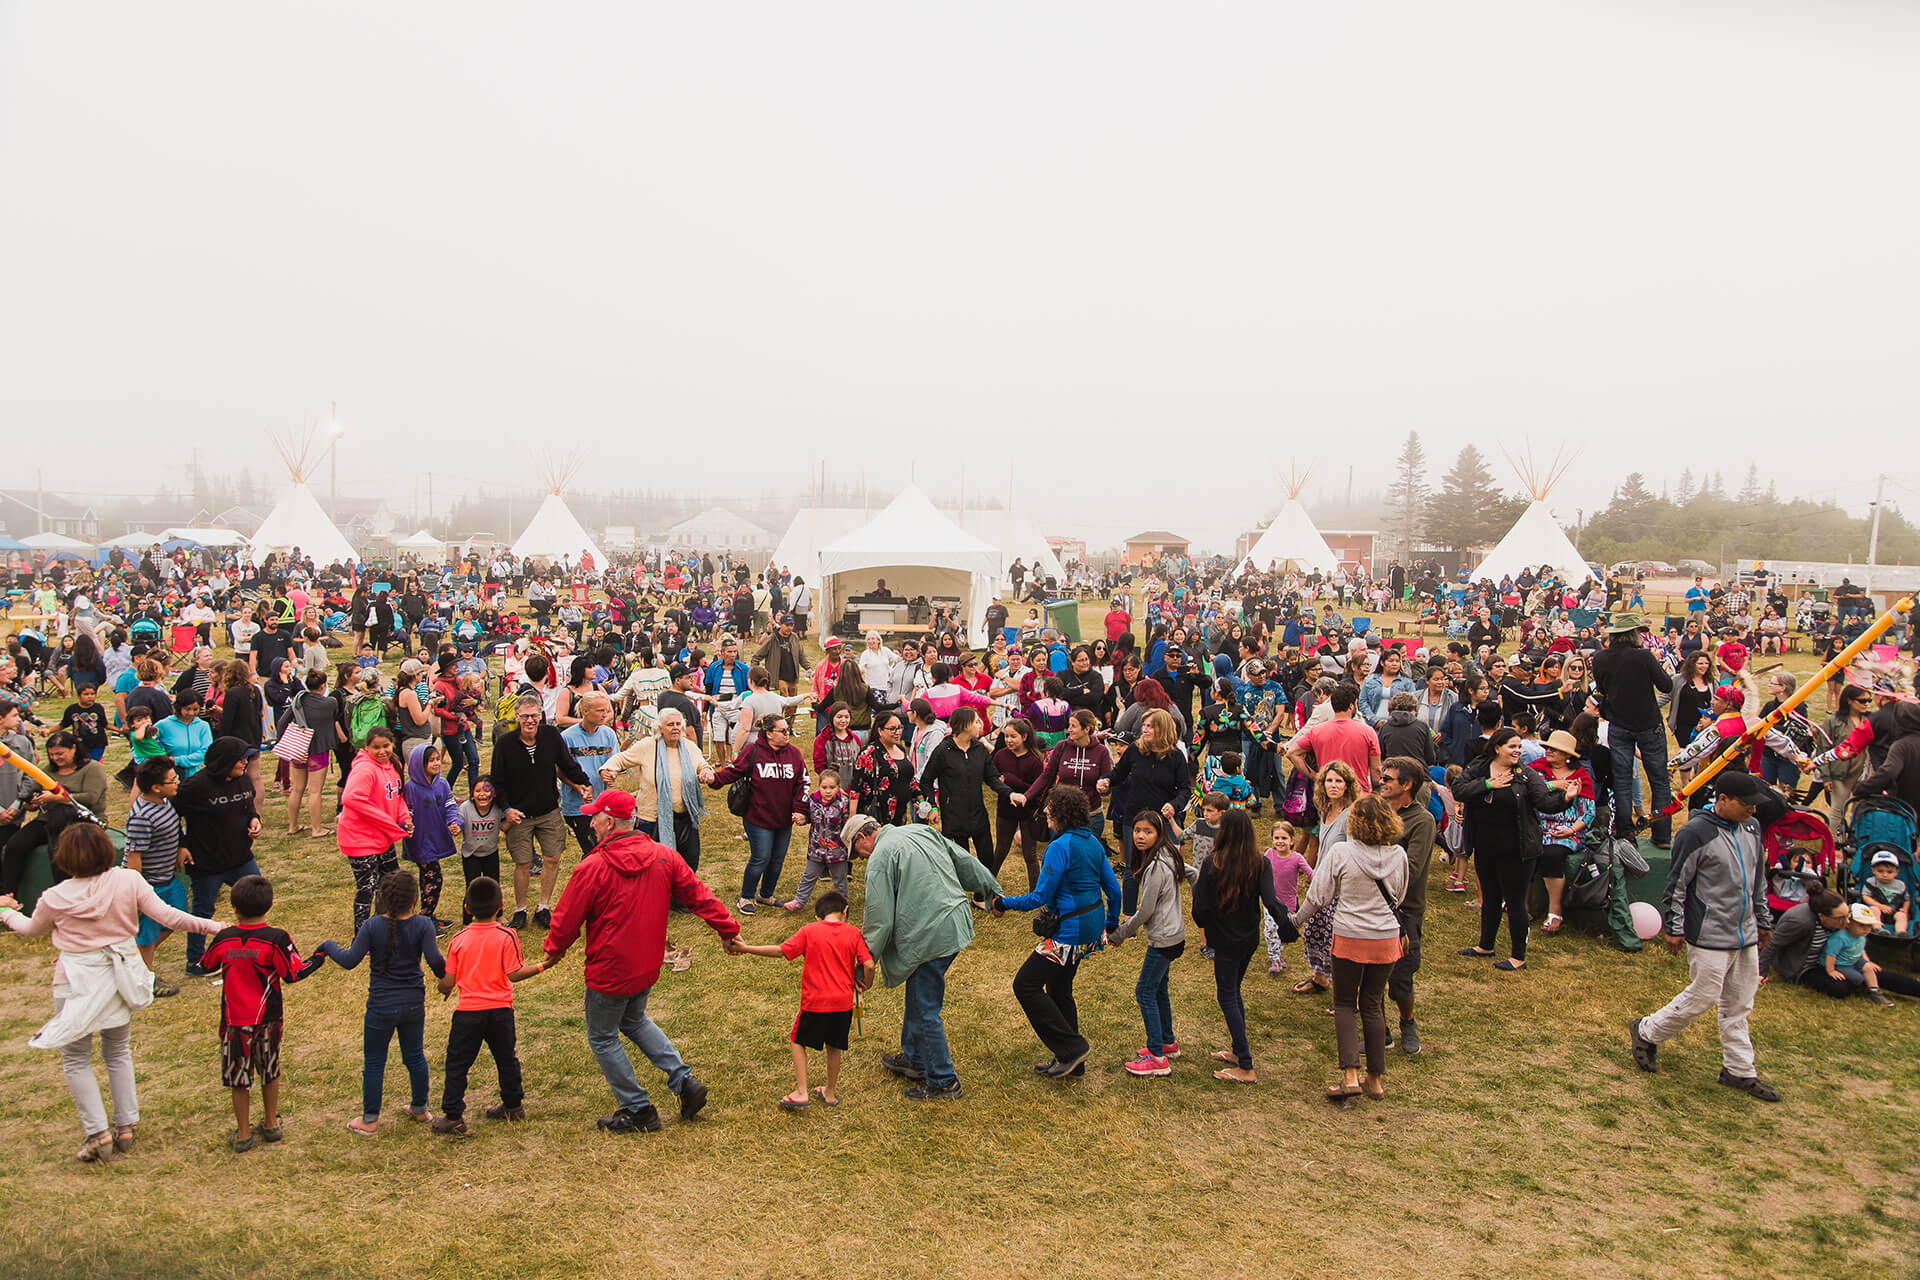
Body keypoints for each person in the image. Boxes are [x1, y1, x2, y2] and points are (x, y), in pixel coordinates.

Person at [0, 825, 222, 1162]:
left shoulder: (55, 896)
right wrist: (215, 927)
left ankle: (98, 1134)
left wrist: (6, 913)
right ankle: (125, 1126)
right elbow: (168, 916)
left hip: (75, 982)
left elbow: (32, 929)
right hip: (121, 977)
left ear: (64, 857)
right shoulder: (128, 880)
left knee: (76, 1058)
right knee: (117, 1051)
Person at [543, 790, 739, 1133]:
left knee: (602, 1036)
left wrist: (554, 950)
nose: (591, 824)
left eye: (594, 818)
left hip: (610, 969)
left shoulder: (593, 866)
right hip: (647, 964)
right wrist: (727, 928)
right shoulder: (663, 856)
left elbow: (567, 916)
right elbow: (698, 895)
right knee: (634, 1020)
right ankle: (684, 1080)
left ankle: (637, 1109)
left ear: (609, 822)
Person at [1627, 771, 1779, 1101]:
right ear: (1722, 800)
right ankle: (1647, 1031)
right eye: (1746, 804)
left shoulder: (1752, 827)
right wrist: (1675, 928)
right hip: (1709, 932)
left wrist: (1764, 920)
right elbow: (1677, 884)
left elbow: (1758, 880)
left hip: (1745, 932)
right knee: (1704, 995)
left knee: (1740, 1003)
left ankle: (1739, 1071)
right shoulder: (1695, 833)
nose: (1753, 810)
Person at [846, 813, 1002, 1101]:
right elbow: (964, 861)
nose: (862, 859)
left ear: (861, 838)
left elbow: (879, 921)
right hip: (955, 921)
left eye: (857, 853)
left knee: (924, 1007)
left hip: (931, 935)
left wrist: (863, 963)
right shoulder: (919, 830)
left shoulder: (880, 857)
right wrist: (991, 890)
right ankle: (915, 1059)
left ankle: (943, 1081)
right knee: (918, 992)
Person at [991, 786, 1123, 1079]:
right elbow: (1114, 891)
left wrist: (1003, 903)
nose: (1046, 814)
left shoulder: (1059, 847)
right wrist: (1111, 924)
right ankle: (1073, 1062)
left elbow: (1039, 896)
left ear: (1062, 814)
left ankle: (1072, 1048)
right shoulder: (1093, 843)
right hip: (1091, 930)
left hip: (1069, 933)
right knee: (1059, 989)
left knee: (1025, 985)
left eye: (1049, 809)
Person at [1290, 793, 1408, 1102]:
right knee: (1372, 1002)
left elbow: (1319, 895)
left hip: (1350, 934)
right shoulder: (1398, 855)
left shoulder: (1341, 852)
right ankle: (1375, 1080)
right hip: (1385, 936)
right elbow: (1400, 895)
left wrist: (1296, 921)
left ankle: (1350, 1075)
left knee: (1344, 1003)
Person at [315, 869, 447, 1133]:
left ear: (383, 898)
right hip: (413, 1003)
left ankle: (370, 1119)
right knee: (415, 1056)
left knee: (374, 1062)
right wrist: (447, 980)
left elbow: (350, 960)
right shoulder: (423, 925)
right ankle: (420, 1109)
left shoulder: (372, 926)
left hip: (380, 1005)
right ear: (414, 899)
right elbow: (435, 961)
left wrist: (328, 945)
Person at [199, 874, 323, 1151]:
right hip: (269, 1018)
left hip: (234, 1021)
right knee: (270, 1070)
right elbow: (292, 973)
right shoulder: (277, 939)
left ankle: (243, 1133)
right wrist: (318, 958)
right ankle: (270, 1123)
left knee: (238, 1078)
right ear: (270, 905)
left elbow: (206, 964)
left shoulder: (225, 938)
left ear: (234, 908)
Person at [727, 890, 875, 1108]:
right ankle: (830, 1093)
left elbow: (780, 951)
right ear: (845, 911)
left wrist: (746, 948)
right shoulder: (853, 933)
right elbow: (869, 965)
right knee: (834, 1046)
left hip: (815, 1002)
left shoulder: (809, 931)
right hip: (843, 1003)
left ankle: (801, 1091)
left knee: (798, 1040)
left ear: (817, 917)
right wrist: (866, 984)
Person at [431, 876, 550, 1134]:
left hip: (468, 1013)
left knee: (457, 1064)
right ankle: (513, 1105)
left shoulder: (458, 939)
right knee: (506, 1058)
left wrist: (443, 988)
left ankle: (453, 1116)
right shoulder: (507, 935)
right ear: (501, 906)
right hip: (500, 1011)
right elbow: (514, 974)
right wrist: (543, 965)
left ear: (467, 908)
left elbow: (448, 981)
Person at [1453, 728, 1576, 971]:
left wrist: (1566, 798)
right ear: (1497, 747)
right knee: (1490, 897)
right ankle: (1485, 945)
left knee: (1515, 901)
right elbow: (1459, 789)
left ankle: (1518, 957)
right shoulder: (1479, 767)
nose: (1518, 751)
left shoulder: (1525, 775)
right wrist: (1487, 784)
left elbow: (1544, 802)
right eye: (1512, 746)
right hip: (1485, 846)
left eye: (1519, 746)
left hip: (1517, 850)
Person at [1190, 810, 1296, 1084]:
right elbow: (1271, 901)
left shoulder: (1213, 862)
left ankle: (1246, 1065)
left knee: (1226, 996)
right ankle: (1238, 1052)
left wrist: (1205, 925)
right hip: (1248, 938)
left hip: (1224, 939)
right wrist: (1287, 927)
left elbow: (1200, 906)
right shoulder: (1260, 863)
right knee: (1233, 991)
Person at [492, 693, 593, 928]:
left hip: (548, 811)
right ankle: (520, 909)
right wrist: (506, 809)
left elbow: (567, 764)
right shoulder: (505, 744)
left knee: (552, 858)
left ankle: (543, 906)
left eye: (534, 716)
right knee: (523, 863)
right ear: (517, 717)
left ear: (541, 716)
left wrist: (584, 783)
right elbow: (498, 781)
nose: (530, 720)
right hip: (519, 815)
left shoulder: (551, 736)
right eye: (525, 716)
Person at [1111, 806, 1192, 1076]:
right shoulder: (1167, 853)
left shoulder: (1157, 865)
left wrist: (1121, 933)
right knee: (1158, 989)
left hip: (1164, 939)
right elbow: (1192, 873)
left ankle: (1157, 1057)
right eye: (1137, 831)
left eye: (1148, 831)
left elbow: (1145, 911)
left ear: (1159, 833)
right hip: (1174, 935)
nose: (1140, 836)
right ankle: (1167, 1042)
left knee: (1144, 991)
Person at [177, 737, 265, 977]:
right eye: (240, 759)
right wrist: (181, 845)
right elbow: (172, 813)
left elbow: (248, 806)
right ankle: (196, 961)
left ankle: (254, 948)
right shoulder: (195, 787)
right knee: (203, 911)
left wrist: (254, 819)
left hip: (241, 857)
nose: (245, 763)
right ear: (225, 761)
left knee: (256, 900)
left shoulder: (243, 779)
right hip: (207, 862)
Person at [710, 713, 809, 914]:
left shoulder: (794, 754)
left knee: (777, 860)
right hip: (757, 817)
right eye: (782, 731)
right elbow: (734, 771)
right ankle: (746, 897)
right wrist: (714, 779)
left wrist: (800, 809)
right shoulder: (752, 751)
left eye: (788, 730)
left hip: (783, 819)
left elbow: (803, 782)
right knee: (761, 858)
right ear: (769, 733)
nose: (787, 734)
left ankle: (766, 894)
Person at [1591, 614, 1675, 847]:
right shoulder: (1643, 656)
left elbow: (1602, 689)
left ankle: (1625, 832)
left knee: (1622, 779)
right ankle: (1662, 834)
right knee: (1659, 780)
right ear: (1633, 634)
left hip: (1618, 723)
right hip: (1648, 723)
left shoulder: (1600, 658)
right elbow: (1666, 685)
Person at [600, 707, 708, 871]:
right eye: (670, 724)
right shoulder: (648, 746)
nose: (675, 728)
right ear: (660, 728)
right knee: (652, 868)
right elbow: (621, 759)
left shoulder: (689, 747)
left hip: (685, 820)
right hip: (650, 820)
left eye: (678, 724)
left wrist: (707, 771)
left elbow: (703, 765)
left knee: (687, 867)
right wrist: (609, 770)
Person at [1760, 886, 1920, 998]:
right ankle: (1862, 985)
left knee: (1875, 972)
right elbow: (1773, 945)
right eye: (1841, 918)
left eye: (1847, 915)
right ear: (1822, 916)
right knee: (1840, 988)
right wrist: (1761, 973)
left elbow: (1857, 942)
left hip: (1838, 961)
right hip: (1805, 966)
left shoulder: (1838, 920)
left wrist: (1865, 962)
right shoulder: (1800, 922)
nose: (1847, 922)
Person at [1377, 758, 1437, 1055]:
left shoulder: (1422, 821)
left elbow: (1411, 869)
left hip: (1404, 909)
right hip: (1370, 906)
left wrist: (1374, 868)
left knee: (1401, 977)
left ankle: (1407, 1022)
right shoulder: (1376, 810)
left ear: (1407, 785)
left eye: (1388, 778)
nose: (1381, 782)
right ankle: (1380, 1031)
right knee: (1369, 976)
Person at [337, 727, 413, 931]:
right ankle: (361, 936)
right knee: (367, 889)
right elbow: (351, 798)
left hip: (383, 837)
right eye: (375, 747)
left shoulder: (394, 764)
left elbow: (397, 796)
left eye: (385, 746)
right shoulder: (365, 769)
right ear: (366, 747)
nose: (381, 751)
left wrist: (404, 818)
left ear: (393, 744)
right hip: (360, 840)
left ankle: (386, 928)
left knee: (391, 885)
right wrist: (388, 822)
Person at [126, 757, 188, 994]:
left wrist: (180, 848)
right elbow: (134, 858)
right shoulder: (141, 817)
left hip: (168, 879)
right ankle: (145, 979)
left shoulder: (164, 803)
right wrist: (138, 893)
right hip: (150, 885)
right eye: (172, 780)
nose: (177, 782)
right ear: (156, 787)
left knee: (177, 918)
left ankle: (134, 959)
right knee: (148, 933)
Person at [921, 706, 1001, 882]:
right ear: (965, 725)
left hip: (978, 814)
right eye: (976, 721)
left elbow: (992, 778)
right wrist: (932, 806)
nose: (980, 724)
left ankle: (984, 892)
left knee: (987, 857)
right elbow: (926, 780)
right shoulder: (943, 751)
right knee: (960, 863)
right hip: (954, 817)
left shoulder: (979, 749)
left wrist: (1009, 794)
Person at [1529, 729, 1594, 936]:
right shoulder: (1536, 770)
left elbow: (1588, 812)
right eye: (1548, 748)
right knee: (1526, 850)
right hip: (1538, 826)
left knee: (1552, 855)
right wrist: (1552, 785)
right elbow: (1527, 792)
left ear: (1567, 755)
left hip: (1569, 830)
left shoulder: (1581, 777)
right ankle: (1523, 907)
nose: (1548, 751)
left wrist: (1571, 830)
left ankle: (1555, 911)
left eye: (1554, 749)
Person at [401, 742, 461, 924]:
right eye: (431, 761)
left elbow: (450, 805)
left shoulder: (442, 784)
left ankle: (428, 914)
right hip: (420, 841)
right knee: (434, 878)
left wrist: (454, 821)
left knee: (428, 878)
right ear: (419, 765)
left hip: (436, 838)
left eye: (437, 759)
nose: (436, 763)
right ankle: (425, 919)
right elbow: (405, 813)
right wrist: (406, 826)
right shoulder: (411, 788)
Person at [1284, 682, 1382, 793]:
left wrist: (1316, 777)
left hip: (1328, 792)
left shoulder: (1316, 731)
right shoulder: (1368, 732)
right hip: (1357, 794)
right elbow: (1376, 770)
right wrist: (1376, 792)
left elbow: (1291, 753)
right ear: (1351, 706)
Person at [783, 765, 852, 913]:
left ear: (838, 787)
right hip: (816, 848)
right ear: (819, 786)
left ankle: (842, 904)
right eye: (824, 787)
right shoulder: (812, 801)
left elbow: (848, 824)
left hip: (837, 850)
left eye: (832, 787)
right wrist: (802, 818)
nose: (828, 791)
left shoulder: (843, 803)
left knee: (840, 879)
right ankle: (799, 901)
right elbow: (809, 817)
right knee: (808, 875)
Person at [847, 709, 919, 826]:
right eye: (892, 729)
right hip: (877, 817)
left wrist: (921, 801)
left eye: (899, 728)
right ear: (880, 731)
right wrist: (852, 817)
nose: (897, 732)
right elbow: (856, 788)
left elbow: (910, 780)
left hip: (900, 815)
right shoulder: (869, 753)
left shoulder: (900, 749)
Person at [1821, 903, 1892, 1004]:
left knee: (1868, 968)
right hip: (1840, 964)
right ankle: (1861, 988)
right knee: (1858, 978)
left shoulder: (1861, 936)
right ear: (1848, 923)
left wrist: (1867, 961)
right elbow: (1830, 954)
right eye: (1862, 925)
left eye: (1869, 926)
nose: (1867, 929)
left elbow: (1861, 949)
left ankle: (1874, 992)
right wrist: (1831, 970)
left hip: (1853, 960)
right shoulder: (1839, 938)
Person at [457, 774, 503, 921]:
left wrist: (512, 821)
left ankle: (498, 915)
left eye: (486, 790)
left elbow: (505, 826)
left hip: (491, 852)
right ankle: (467, 920)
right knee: (471, 887)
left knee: (494, 885)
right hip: (471, 854)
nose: (482, 794)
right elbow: (457, 824)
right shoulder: (465, 808)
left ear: (494, 794)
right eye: (477, 791)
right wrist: (455, 828)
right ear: (472, 794)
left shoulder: (498, 808)